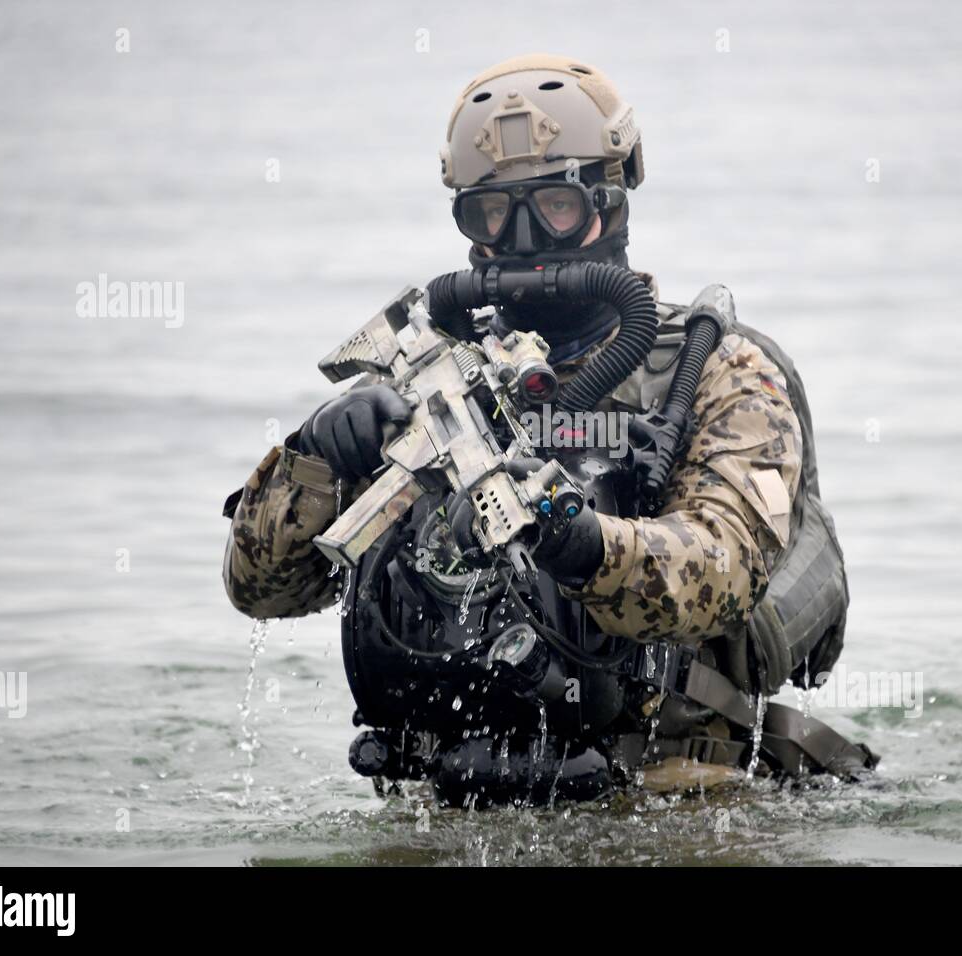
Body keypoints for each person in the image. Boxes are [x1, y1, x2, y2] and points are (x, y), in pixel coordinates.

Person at [222, 54, 875, 806]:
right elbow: (260, 592)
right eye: (494, 213)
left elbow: (724, 569)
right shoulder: (433, 381)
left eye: (556, 206)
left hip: (670, 804)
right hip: (447, 803)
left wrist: (581, 544)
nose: (525, 238)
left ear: (611, 203)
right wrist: (313, 462)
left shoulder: (715, 374)